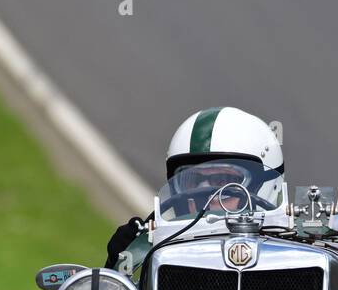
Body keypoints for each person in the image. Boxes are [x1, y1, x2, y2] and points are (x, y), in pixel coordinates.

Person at [105, 107, 284, 268]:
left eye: (224, 180)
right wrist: (117, 268)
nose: (206, 194)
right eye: (193, 180)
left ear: (265, 183)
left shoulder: (297, 258)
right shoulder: (160, 256)